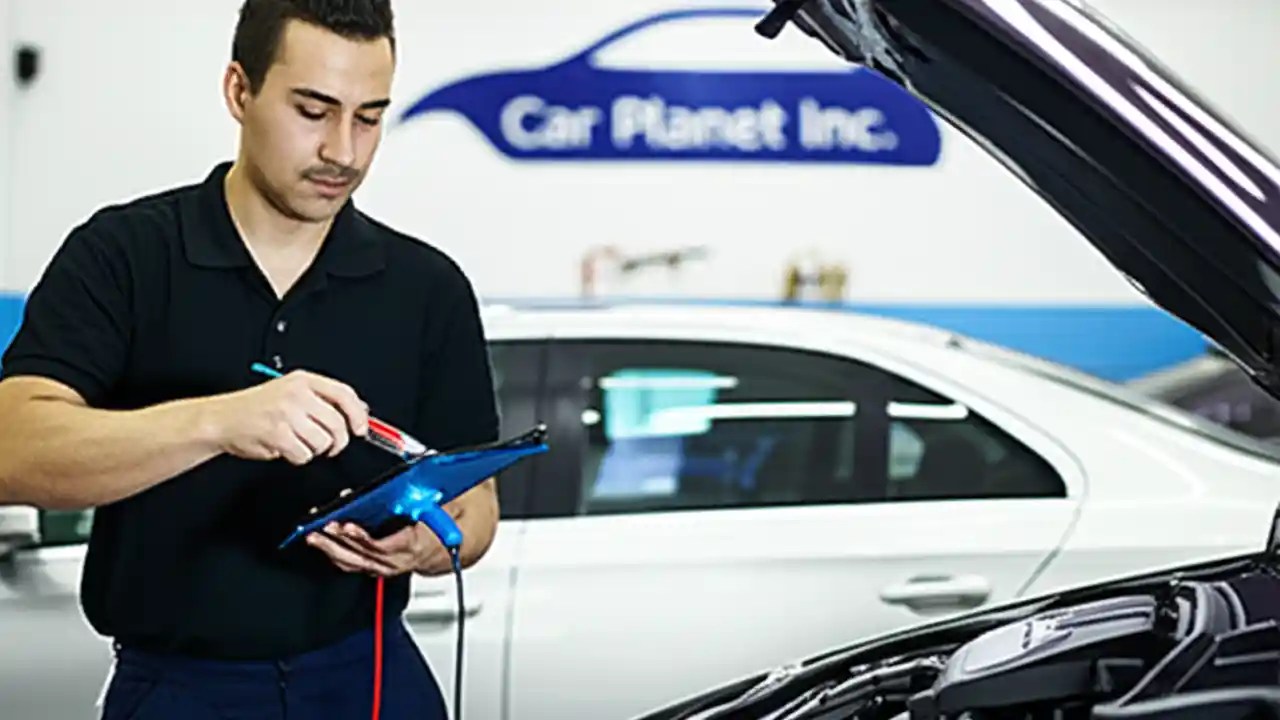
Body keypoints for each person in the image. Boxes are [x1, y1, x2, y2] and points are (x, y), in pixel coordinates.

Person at [0, 1, 501, 718]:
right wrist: (220, 423)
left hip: (370, 676)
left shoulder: (428, 288)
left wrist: (429, 542)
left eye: (369, 117)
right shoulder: (124, 256)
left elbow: (478, 508)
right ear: (240, 91)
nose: (344, 151)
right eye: (313, 110)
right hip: (180, 687)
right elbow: (11, 449)